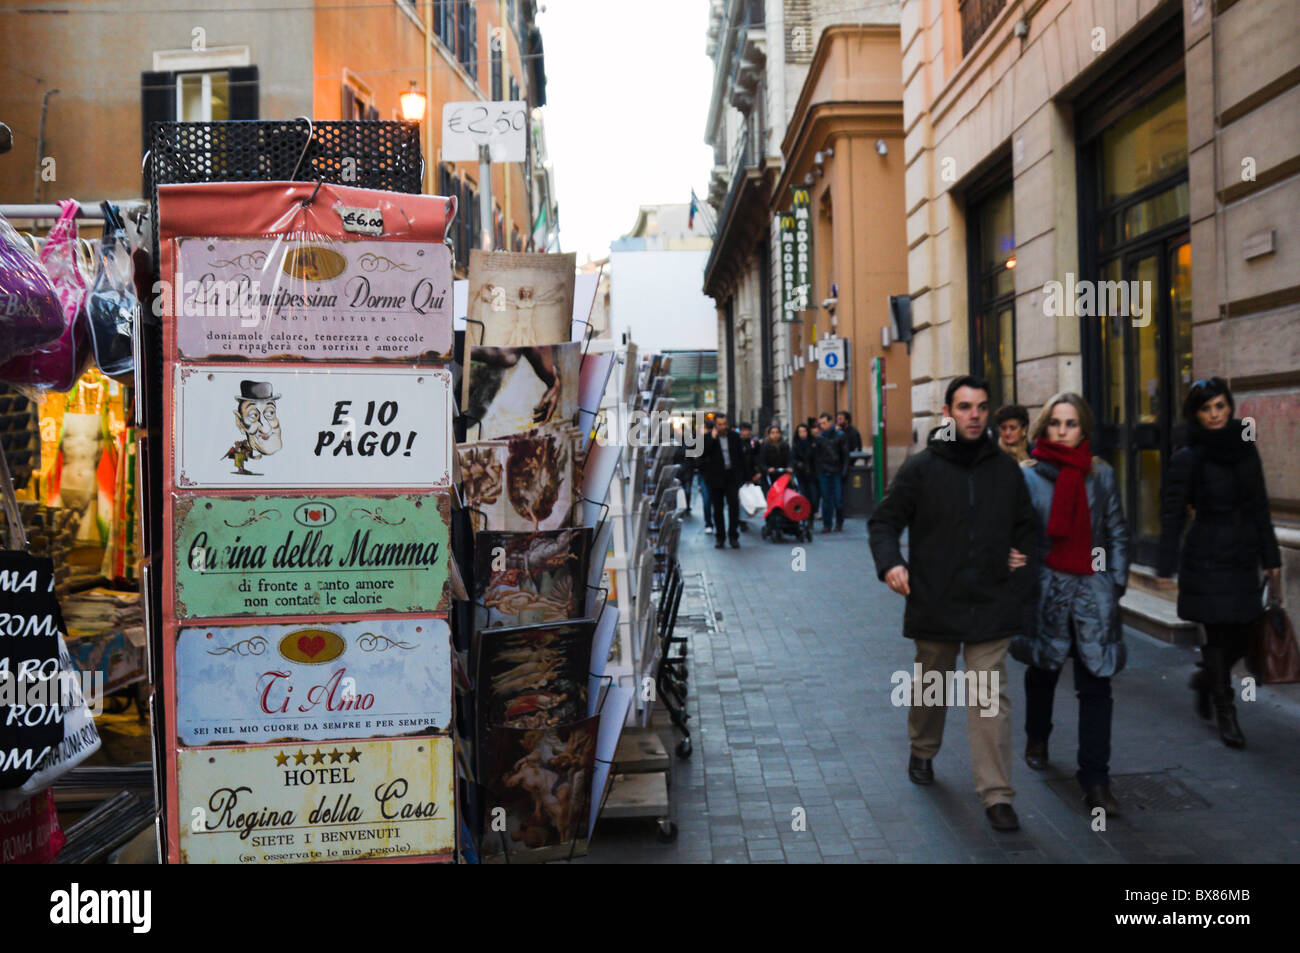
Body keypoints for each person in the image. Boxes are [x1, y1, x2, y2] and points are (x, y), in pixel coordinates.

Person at [868, 375, 1037, 832]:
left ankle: (997, 794)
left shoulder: (1004, 471)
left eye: (981, 407)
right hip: (935, 600)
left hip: (990, 602)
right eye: (964, 407)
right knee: (932, 684)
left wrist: (1021, 554)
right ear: (948, 413)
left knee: (988, 698)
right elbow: (884, 522)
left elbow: (1027, 526)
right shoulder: (922, 469)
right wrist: (891, 565)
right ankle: (922, 749)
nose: (974, 415)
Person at [1012, 393, 1128, 816]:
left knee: (1096, 686)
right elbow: (1016, 535)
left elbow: (1116, 532)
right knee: (1042, 673)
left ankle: (1096, 781)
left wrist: (1113, 584)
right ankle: (1037, 736)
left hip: (1093, 596)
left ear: (1084, 430)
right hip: (1047, 592)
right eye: (1056, 423)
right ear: (1043, 428)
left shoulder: (1101, 476)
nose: (1063, 430)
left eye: (1072, 423)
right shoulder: (1026, 478)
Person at [1157, 377, 1282, 749]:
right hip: (1207, 554)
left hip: (1243, 552)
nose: (1214, 415)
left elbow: (1260, 503)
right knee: (1217, 633)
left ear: (1230, 407)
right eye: (1206, 408)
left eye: (1220, 407)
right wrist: (1165, 565)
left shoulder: (1244, 445)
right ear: (1196, 413)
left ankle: (1206, 679)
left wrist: (1271, 558)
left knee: (1244, 633)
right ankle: (1226, 710)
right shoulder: (1188, 454)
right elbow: (1172, 511)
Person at [699, 413, 749, 549]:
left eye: (724, 424)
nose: (722, 427)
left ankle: (733, 536)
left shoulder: (734, 437)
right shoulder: (707, 438)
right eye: (719, 424)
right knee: (718, 509)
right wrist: (713, 439)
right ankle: (720, 537)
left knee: (733, 507)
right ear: (715, 425)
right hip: (715, 478)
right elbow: (702, 454)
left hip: (731, 477)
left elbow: (741, 456)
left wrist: (745, 476)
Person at [812, 413, 847, 532]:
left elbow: (845, 455)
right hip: (823, 471)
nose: (822, 426)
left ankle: (839, 522)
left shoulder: (840, 436)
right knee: (826, 499)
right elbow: (815, 457)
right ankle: (827, 524)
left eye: (824, 423)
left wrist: (844, 471)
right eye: (820, 423)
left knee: (838, 499)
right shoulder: (818, 438)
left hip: (836, 470)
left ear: (831, 422)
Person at [791, 422, 819, 515]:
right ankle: (807, 518)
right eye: (800, 432)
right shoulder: (795, 445)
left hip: (812, 473)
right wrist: (798, 464)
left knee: (814, 497)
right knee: (804, 496)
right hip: (801, 474)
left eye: (804, 431)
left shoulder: (813, 443)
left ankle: (812, 513)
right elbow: (792, 459)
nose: (802, 433)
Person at [757, 425, 791, 490]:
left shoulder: (785, 445)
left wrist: (789, 467)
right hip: (769, 476)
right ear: (769, 434)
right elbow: (761, 461)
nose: (775, 435)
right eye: (773, 433)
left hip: (782, 474)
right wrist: (767, 469)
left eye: (777, 432)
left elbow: (789, 458)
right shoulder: (764, 446)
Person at [697, 417, 715, 534]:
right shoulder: (704, 440)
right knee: (709, 500)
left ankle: (709, 523)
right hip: (706, 474)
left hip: (706, 474)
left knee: (708, 500)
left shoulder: (711, 440)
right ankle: (709, 522)